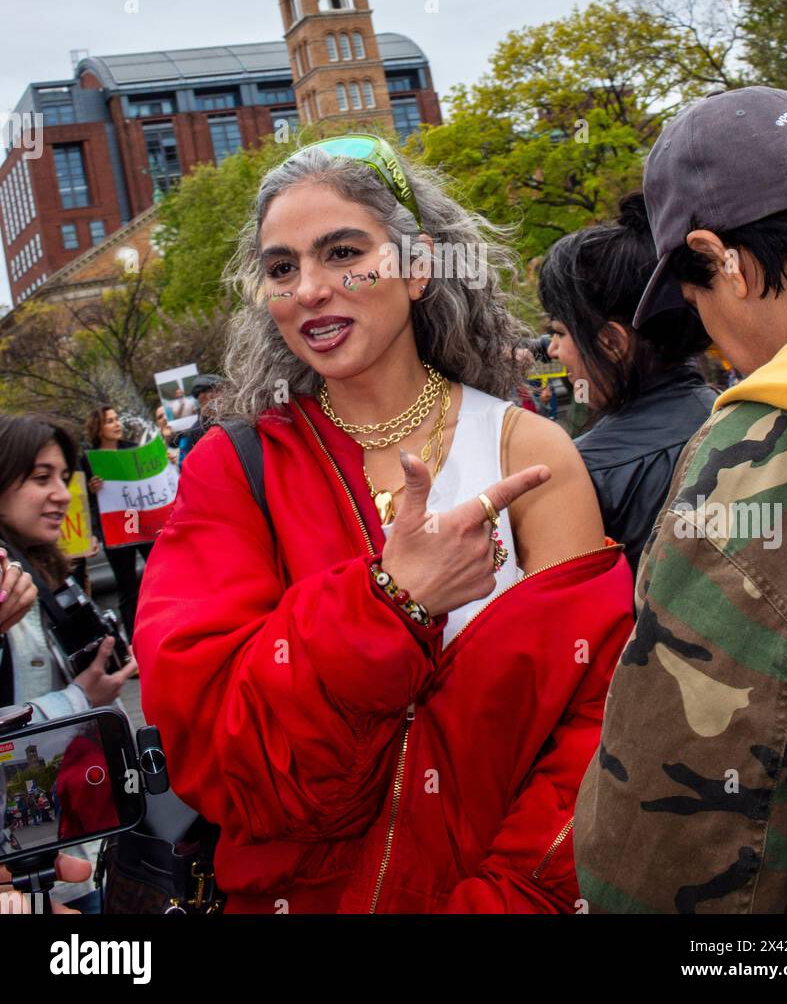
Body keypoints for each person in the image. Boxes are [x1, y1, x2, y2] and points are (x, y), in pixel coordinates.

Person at [136, 133, 633, 914]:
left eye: (342, 253)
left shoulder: (528, 451)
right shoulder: (233, 471)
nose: (309, 288)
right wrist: (387, 604)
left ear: (418, 266)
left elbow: (597, 726)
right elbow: (216, 750)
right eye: (281, 268)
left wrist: (497, 902)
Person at [574, 86, 787, 914]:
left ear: (722, 258)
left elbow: (668, 853)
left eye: (696, 302)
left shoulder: (765, 458)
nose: (711, 342)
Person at [539, 191, 717, 578]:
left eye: (560, 332)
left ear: (612, 343)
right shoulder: (739, 419)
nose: (553, 350)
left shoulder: (584, 469)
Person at [0, 413, 138, 908]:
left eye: (64, 477)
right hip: (22, 873)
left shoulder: (39, 565)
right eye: (41, 479)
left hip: (67, 847)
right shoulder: (5, 580)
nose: (61, 493)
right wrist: (81, 699)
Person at [80, 405, 153, 645]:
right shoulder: (89, 460)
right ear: (98, 428)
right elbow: (84, 500)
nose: (117, 424)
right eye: (110, 421)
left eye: (117, 419)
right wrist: (92, 491)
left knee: (158, 575)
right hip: (115, 530)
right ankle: (135, 646)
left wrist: (165, 461)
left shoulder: (133, 450)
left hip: (143, 525)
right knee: (128, 587)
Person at [176, 374, 224, 468]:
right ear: (204, 396)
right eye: (218, 390)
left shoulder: (239, 417)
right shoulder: (195, 432)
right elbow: (189, 466)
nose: (224, 395)